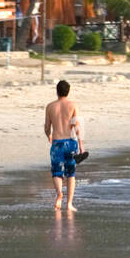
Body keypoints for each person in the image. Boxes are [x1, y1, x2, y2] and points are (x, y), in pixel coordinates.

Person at [44, 79, 83, 212]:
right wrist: (81, 144)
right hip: (71, 142)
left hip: (57, 142)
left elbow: (47, 127)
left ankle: (59, 193)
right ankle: (69, 204)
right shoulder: (73, 105)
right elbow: (76, 126)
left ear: (57, 91)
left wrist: (49, 135)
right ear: (68, 91)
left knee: (56, 172)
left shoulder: (50, 106)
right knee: (71, 174)